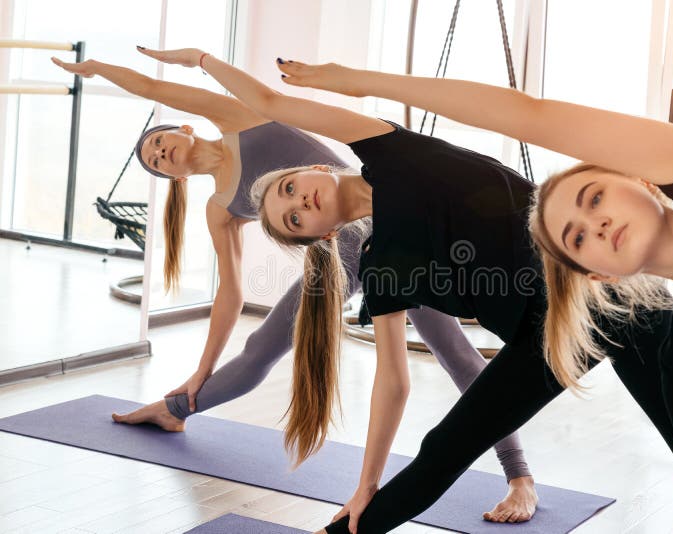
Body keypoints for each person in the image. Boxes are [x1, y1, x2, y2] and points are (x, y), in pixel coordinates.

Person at [274, 61, 673, 533]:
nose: (302, 204)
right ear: (321, 237)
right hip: (547, 331)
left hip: (620, 307)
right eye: (293, 219)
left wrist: (356, 81)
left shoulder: (396, 158)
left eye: (291, 189)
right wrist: (367, 484)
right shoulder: (381, 263)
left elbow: (527, 114)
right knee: (445, 447)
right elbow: (395, 378)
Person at [50, 49, 542, 523]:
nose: (161, 153)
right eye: (156, 162)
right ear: (171, 178)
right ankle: (175, 409)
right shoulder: (220, 208)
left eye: (158, 143)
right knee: (262, 348)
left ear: (184, 128)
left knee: (455, 353)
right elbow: (230, 293)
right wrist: (201, 370)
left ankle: (519, 474)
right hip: (351, 252)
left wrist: (100, 67)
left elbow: (156, 87)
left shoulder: (239, 120)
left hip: (401, 228)